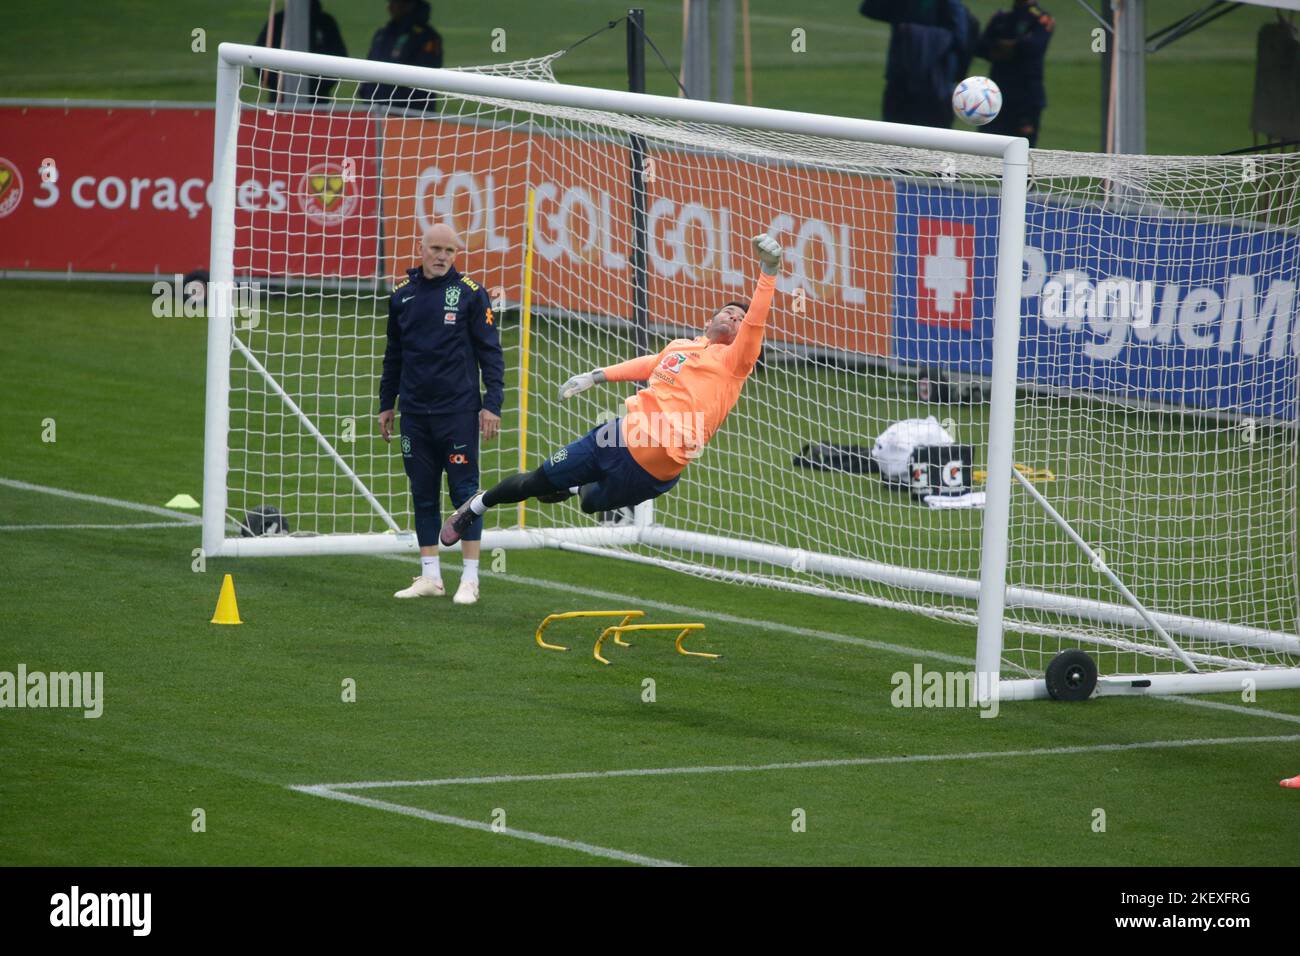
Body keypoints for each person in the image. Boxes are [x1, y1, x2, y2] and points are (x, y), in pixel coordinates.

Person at [438, 235, 783, 548]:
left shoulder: (735, 362)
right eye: (728, 312)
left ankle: (572, 486)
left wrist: (768, 272)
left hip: (656, 471)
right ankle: (476, 505)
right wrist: (596, 375)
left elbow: (756, 321)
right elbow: (650, 364)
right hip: (617, 437)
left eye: (740, 318)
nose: (736, 318)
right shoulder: (682, 345)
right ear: (709, 322)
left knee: (589, 502)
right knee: (535, 483)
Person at [379, 223, 504, 605]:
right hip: (415, 413)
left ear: (456, 255)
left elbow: (490, 353)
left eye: (449, 251)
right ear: (421, 248)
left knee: (466, 495)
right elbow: (394, 355)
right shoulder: (401, 296)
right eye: (435, 248)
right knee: (422, 493)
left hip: (458, 412)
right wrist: (387, 403)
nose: (441, 257)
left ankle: (470, 579)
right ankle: (431, 576)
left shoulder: (470, 294)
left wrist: (491, 404)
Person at [860, 0, 979, 129]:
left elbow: (962, 40)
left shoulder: (950, 4)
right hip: (901, 83)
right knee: (892, 138)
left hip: (934, 88)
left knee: (932, 142)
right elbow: (869, 9)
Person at [975, 1, 1054, 146]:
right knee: (987, 146)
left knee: (1023, 149)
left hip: (1026, 99)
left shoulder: (1041, 19)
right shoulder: (1002, 17)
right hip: (996, 95)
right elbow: (981, 47)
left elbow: (1033, 47)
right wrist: (1013, 47)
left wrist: (1007, 47)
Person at [254, 0, 348, 104]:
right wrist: (280, 83)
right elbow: (259, 58)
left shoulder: (325, 23)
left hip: (318, 101)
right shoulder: (278, 21)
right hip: (279, 100)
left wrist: (316, 85)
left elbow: (339, 59)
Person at [358, 0, 444, 113]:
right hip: (376, 109)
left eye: (395, 3)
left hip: (410, 113)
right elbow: (369, 65)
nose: (390, 7)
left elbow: (424, 77)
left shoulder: (426, 37)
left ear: (409, 5)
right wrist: (366, 92)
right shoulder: (383, 33)